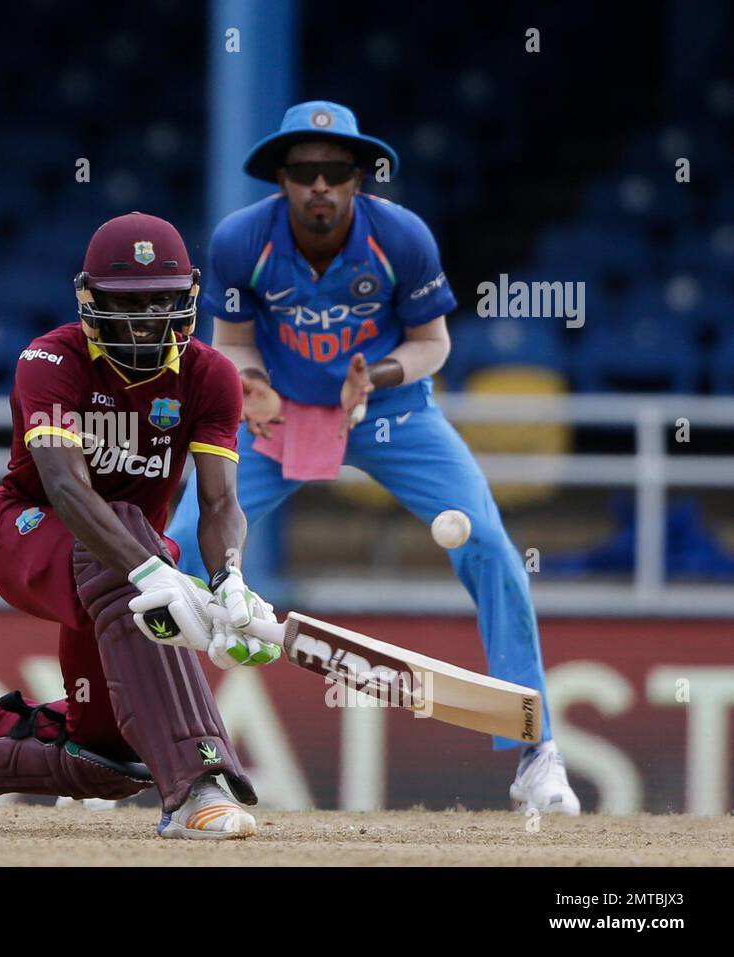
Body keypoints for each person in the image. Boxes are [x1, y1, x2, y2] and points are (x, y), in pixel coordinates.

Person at [164, 101, 580, 815]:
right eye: (304, 172)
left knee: (490, 546)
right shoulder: (242, 239)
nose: (320, 185)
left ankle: (535, 751)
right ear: (282, 180)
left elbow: (433, 343)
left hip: (390, 411)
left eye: (335, 171)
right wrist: (254, 388)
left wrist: (378, 376)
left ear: (358, 179)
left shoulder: (400, 236)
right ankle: (132, 742)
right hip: (281, 416)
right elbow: (230, 343)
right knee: (170, 560)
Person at [0, 212, 281, 840]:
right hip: (25, 532)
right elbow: (64, 486)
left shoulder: (211, 375)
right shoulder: (51, 357)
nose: (144, 319)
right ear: (92, 301)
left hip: (129, 565)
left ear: (185, 299)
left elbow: (220, 504)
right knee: (127, 530)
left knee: (113, 758)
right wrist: (154, 573)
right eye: (127, 303)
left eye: (160, 301)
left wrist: (228, 580)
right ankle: (198, 787)